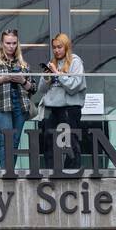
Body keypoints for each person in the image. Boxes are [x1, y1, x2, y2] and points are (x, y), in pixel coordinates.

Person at [0, 28, 36, 169]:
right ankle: (6, 174)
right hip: (1, 105)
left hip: (21, 105)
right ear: (2, 43)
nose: (11, 46)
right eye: (8, 43)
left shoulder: (23, 63)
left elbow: (33, 88)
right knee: (5, 140)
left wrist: (22, 81)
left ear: (18, 44)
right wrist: (2, 79)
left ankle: (11, 172)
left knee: (15, 141)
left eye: (14, 43)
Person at [37, 33, 87, 170]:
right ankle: (51, 171)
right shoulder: (52, 63)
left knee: (71, 141)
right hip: (52, 107)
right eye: (54, 47)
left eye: (59, 47)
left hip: (69, 108)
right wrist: (47, 78)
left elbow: (74, 86)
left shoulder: (75, 61)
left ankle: (72, 172)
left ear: (66, 47)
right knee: (49, 140)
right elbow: (41, 89)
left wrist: (58, 74)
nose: (56, 50)